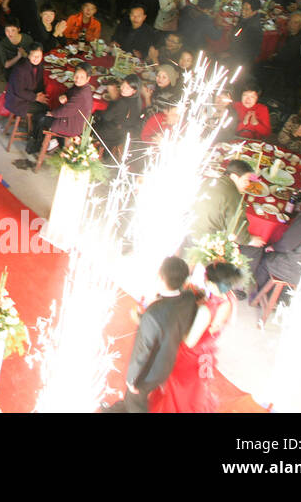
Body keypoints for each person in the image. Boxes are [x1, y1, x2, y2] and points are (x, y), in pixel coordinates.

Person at [103, 256, 198, 413]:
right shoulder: (188, 298)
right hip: (165, 364)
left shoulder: (154, 314)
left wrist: (131, 379)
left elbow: (143, 351)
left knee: (136, 402)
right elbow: (168, 325)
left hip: (147, 372)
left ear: (161, 278)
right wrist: (143, 320)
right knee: (132, 399)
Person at [148, 262, 242, 413]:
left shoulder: (206, 310)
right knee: (193, 393)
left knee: (177, 390)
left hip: (190, 355)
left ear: (212, 284)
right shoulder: (230, 299)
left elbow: (189, 342)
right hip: (206, 351)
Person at [184, 159, 252, 248]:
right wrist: (251, 240)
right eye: (245, 180)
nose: (248, 184)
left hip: (188, 228)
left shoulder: (210, 180)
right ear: (234, 177)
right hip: (204, 241)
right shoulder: (234, 197)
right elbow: (238, 234)